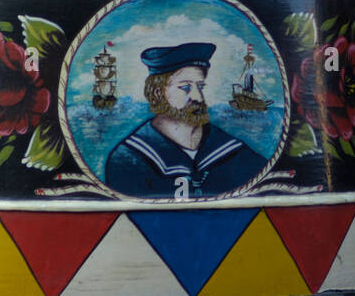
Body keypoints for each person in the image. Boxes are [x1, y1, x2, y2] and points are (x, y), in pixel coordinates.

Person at [105, 42, 267, 198]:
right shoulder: (128, 160)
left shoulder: (237, 154)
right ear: (157, 93)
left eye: (200, 87)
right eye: (185, 87)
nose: (198, 97)